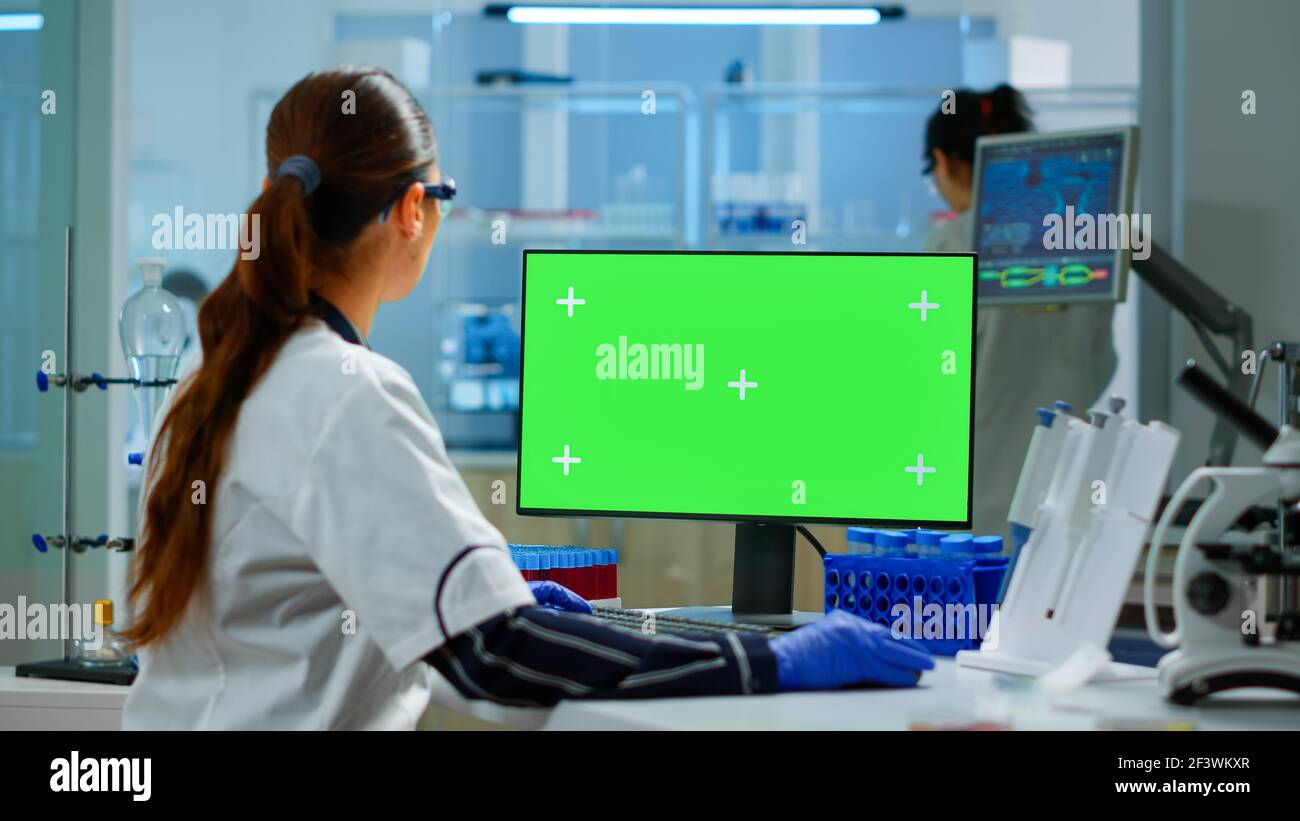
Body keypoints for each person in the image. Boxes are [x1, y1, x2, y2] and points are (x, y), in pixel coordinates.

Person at [121, 67, 932, 730]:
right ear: (412, 210)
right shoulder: (346, 392)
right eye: (442, 196)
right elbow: (495, 656)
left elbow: (296, 588)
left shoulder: (212, 380)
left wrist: (481, 579)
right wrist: (773, 662)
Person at [921, 85, 1117, 537]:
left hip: (973, 511)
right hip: (1062, 506)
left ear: (944, 161)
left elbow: (927, 381)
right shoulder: (1076, 240)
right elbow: (1100, 366)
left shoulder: (950, 245)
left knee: (968, 610)